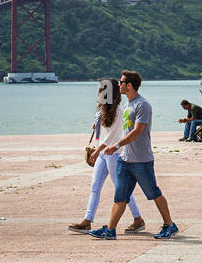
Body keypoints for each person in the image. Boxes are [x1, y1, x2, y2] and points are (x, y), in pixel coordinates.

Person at [90, 70, 179, 240]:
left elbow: (138, 130)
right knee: (120, 195)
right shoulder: (127, 104)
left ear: (129, 85)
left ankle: (169, 224)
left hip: (141, 160)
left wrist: (116, 145)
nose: (118, 85)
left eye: (121, 82)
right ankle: (110, 229)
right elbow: (122, 129)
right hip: (125, 159)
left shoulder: (142, 105)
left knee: (153, 192)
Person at [68, 78, 145, 233]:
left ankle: (138, 219)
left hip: (113, 154)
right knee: (95, 188)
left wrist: (97, 151)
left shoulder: (118, 111)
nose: (98, 92)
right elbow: (102, 131)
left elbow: (111, 136)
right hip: (103, 154)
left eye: (100, 89)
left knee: (121, 189)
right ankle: (87, 221)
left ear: (107, 92)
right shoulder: (101, 109)